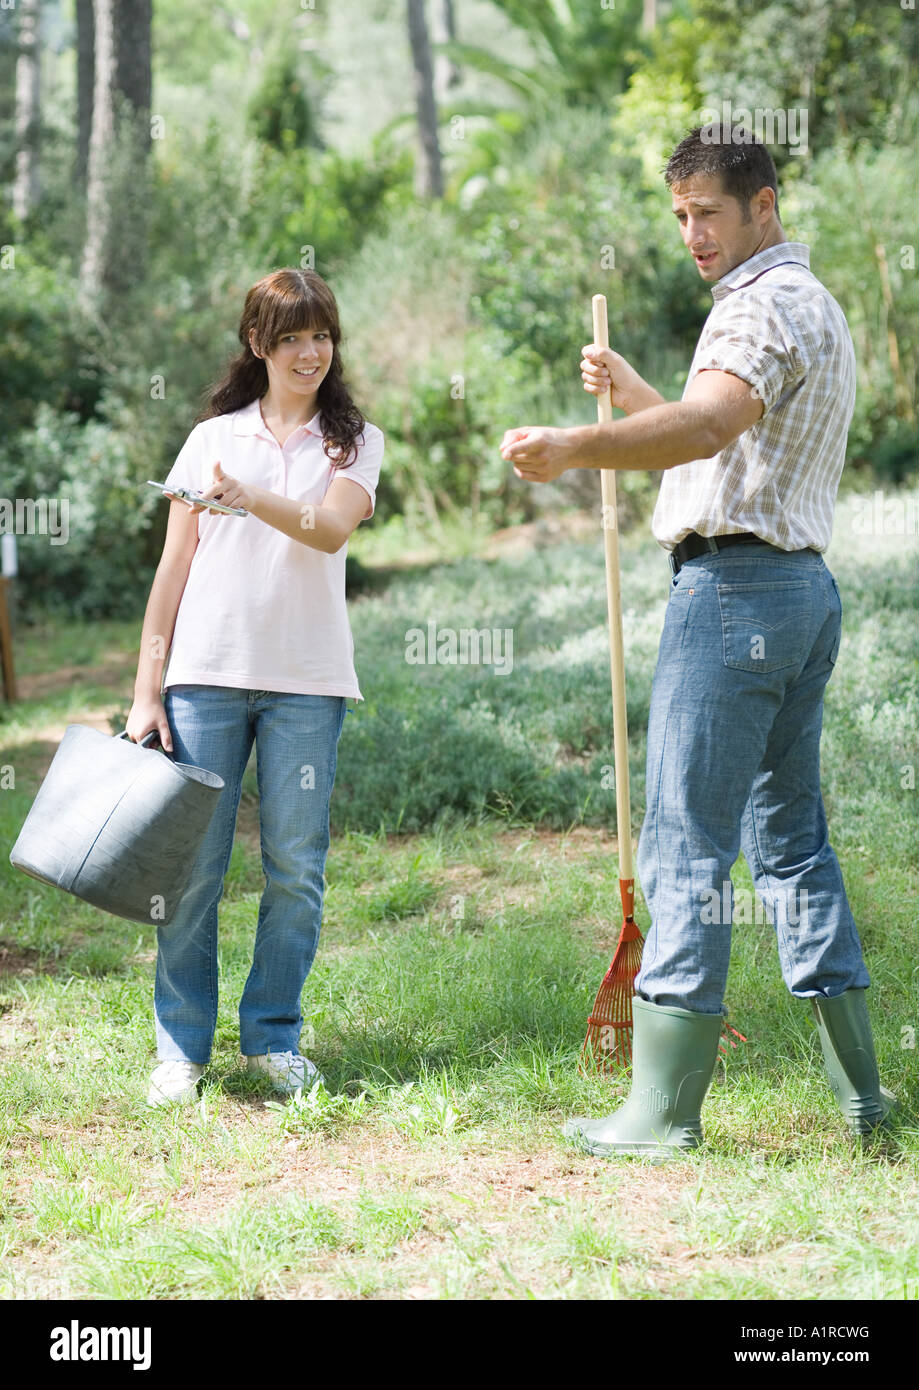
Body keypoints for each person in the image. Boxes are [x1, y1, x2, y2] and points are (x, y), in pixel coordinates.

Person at [501, 125, 896, 1155]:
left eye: (707, 214)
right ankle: (863, 1095)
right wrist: (635, 392)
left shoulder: (759, 306)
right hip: (800, 594)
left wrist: (574, 446)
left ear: (762, 206)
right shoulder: (811, 305)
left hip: (732, 598)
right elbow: (725, 441)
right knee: (792, 846)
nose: (691, 235)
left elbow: (710, 428)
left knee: (683, 842)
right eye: (678, 217)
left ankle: (661, 1113)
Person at [127, 267, 383, 1107]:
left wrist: (254, 496)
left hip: (307, 682)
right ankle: (181, 1049)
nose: (310, 352)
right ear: (258, 345)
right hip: (204, 676)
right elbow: (172, 571)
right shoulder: (210, 441)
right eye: (292, 338)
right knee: (194, 869)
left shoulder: (354, 443)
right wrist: (146, 690)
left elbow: (328, 530)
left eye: (322, 335)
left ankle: (273, 1038)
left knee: (295, 867)